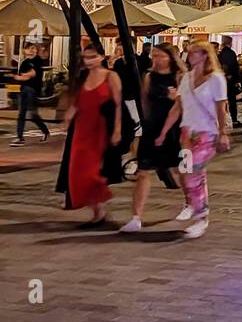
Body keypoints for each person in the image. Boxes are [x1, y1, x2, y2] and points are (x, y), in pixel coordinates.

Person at [118, 45, 186, 233]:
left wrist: (175, 99)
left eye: (160, 56)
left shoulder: (180, 76)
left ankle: (192, 204)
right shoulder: (149, 77)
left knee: (182, 170)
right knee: (143, 171)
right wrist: (146, 124)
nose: (155, 59)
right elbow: (144, 101)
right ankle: (136, 217)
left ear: (170, 57)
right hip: (152, 126)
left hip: (174, 128)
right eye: (154, 55)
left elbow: (187, 103)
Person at [170, 40, 230, 238]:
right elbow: (178, 106)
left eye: (194, 52)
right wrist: (163, 132)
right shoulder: (186, 78)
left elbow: (221, 107)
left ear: (205, 55)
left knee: (193, 170)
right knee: (187, 171)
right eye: (189, 52)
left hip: (206, 133)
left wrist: (223, 132)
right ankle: (193, 206)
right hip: (187, 133)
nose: (190, 56)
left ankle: (201, 216)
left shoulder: (215, 79)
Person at [65, 44, 122, 223]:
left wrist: (117, 129)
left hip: (100, 128)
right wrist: (67, 118)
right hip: (82, 128)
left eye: (92, 57)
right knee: (77, 171)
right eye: (86, 58)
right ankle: (97, 210)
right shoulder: (83, 76)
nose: (88, 61)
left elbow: (119, 105)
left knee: (92, 171)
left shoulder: (111, 76)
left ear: (102, 57)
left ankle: (100, 208)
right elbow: (76, 101)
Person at [11, 42, 50, 146]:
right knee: (21, 114)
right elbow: (21, 77)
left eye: (33, 48)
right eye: (28, 49)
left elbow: (32, 74)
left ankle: (45, 130)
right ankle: (20, 137)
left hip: (33, 89)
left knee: (33, 114)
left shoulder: (38, 61)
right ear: (25, 51)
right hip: (23, 89)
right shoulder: (24, 63)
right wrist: (22, 76)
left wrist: (23, 76)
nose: (31, 50)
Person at [218, 36, 242, 128]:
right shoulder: (231, 53)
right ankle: (234, 120)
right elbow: (235, 67)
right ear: (230, 43)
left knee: (222, 101)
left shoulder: (220, 54)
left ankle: (223, 119)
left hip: (221, 80)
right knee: (232, 101)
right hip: (230, 81)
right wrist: (237, 79)